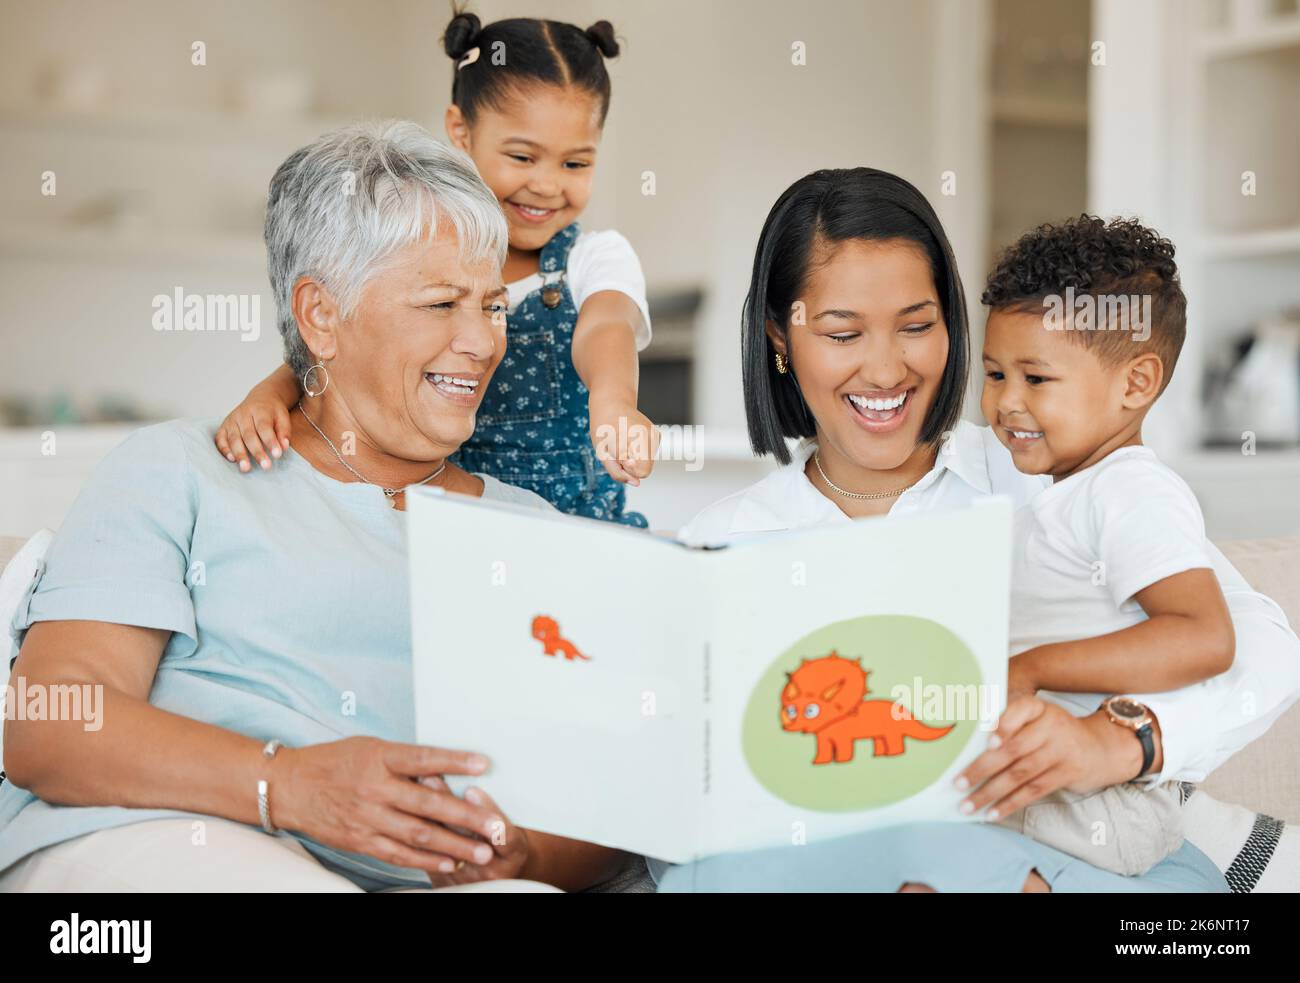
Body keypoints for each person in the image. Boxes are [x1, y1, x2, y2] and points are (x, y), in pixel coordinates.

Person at [0, 121, 627, 892]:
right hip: (160, 834)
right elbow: (53, 723)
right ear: (321, 316)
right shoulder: (181, 470)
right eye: (440, 303)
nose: (480, 341)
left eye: (493, 306)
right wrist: (290, 785)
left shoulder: (535, 534)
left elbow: (617, 807)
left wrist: (526, 855)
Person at [664, 167, 1300, 892]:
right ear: (781, 336)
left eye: (916, 325)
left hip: (1070, 843)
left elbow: (1262, 646)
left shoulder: (1044, 474)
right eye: (842, 333)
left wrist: (1127, 741)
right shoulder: (726, 542)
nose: (885, 368)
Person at [214, 9, 658, 527]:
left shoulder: (594, 256)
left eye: (575, 164)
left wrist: (614, 401)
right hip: (449, 517)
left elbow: (606, 327)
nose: (547, 184)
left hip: (571, 524)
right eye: (522, 157)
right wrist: (273, 393)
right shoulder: (422, 247)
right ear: (460, 132)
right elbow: (349, 337)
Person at [981, 215, 1235, 876]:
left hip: (1097, 811)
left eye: (1035, 379)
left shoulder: (1130, 491)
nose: (1006, 402)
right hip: (1050, 803)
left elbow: (1204, 637)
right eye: (994, 372)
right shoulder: (1064, 496)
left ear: (1136, 384)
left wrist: (1033, 667)